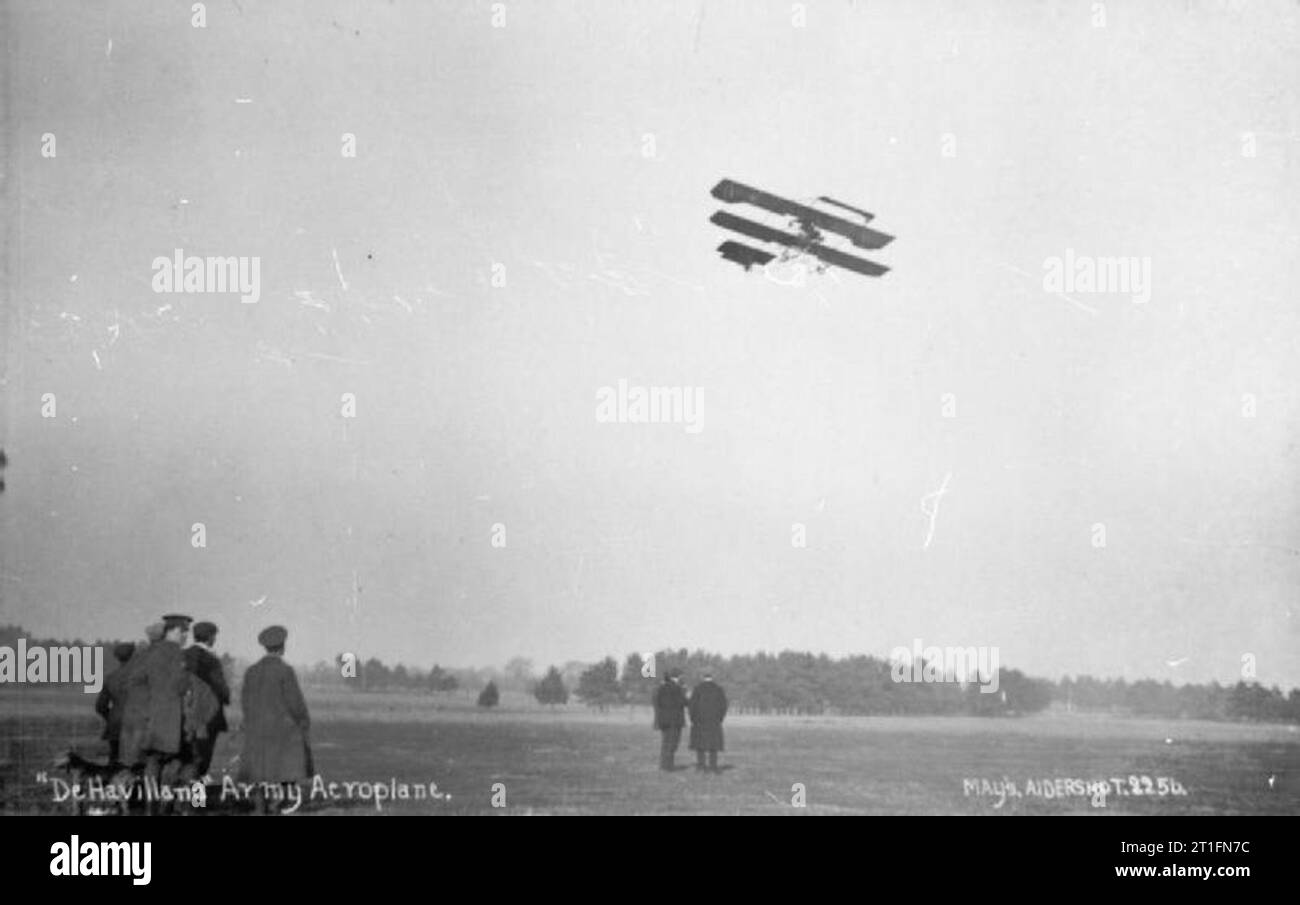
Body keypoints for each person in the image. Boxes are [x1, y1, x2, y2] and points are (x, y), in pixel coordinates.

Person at [240, 625, 313, 814]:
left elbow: (245, 702)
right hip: (281, 730)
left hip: (256, 729)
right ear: (282, 646)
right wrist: (303, 721)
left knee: (258, 770)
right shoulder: (285, 671)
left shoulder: (251, 671)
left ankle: (260, 807)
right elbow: (295, 703)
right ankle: (276, 805)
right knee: (281, 770)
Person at [140, 614, 193, 805]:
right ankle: (172, 807)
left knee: (153, 762)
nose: (185, 636)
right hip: (171, 718)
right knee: (179, 764)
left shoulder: (152, 651)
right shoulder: (177, 653)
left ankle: (150, 807)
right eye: (183, 632)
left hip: (152, 716)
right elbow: (180, 685)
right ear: (173, 631)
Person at [183, 621, 230, 779]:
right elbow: (221, 688)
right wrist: (226, 697)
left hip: (184, 714)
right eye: (214, 636)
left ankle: (179, 797)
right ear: (210, 637)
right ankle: (197, 801)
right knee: (203, 760)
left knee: (185, 759)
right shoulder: (212, 660)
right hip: (208, 716)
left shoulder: (182, 655)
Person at [118, 623, 164, 770]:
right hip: (146, 718)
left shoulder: (139, 657)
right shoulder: (158, 658)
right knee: (144, 764)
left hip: (131, 716)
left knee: (130, 762)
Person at [95, 643, 138, 764]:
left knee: (114, 761)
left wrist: (111, 717)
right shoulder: (140, 677)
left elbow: (100, 706)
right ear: (133, 656)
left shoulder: (110, 678)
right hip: (136, 724)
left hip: (115, 726)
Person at [688, 671, 728, 772]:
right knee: (713, 745)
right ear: (712, 677)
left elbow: (692, 706)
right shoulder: (718, 689)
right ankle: (713, 766)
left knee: (700, 745)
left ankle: (701, 765)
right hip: (714, 721)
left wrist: (693, 718)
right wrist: (720, 718)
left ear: (702, 677)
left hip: (699, 721)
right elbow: (723, 706)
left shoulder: (697, 689)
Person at [653, 668, 688, 771]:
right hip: (675, 720)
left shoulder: (662, 687)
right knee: (673, 743)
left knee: (665, 743)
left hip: (664, 720)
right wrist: (686, 695)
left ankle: (663, 765)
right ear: (678, 677)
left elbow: (657, 702)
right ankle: (669, 766)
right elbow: (683, 702)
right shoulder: (678, 688)